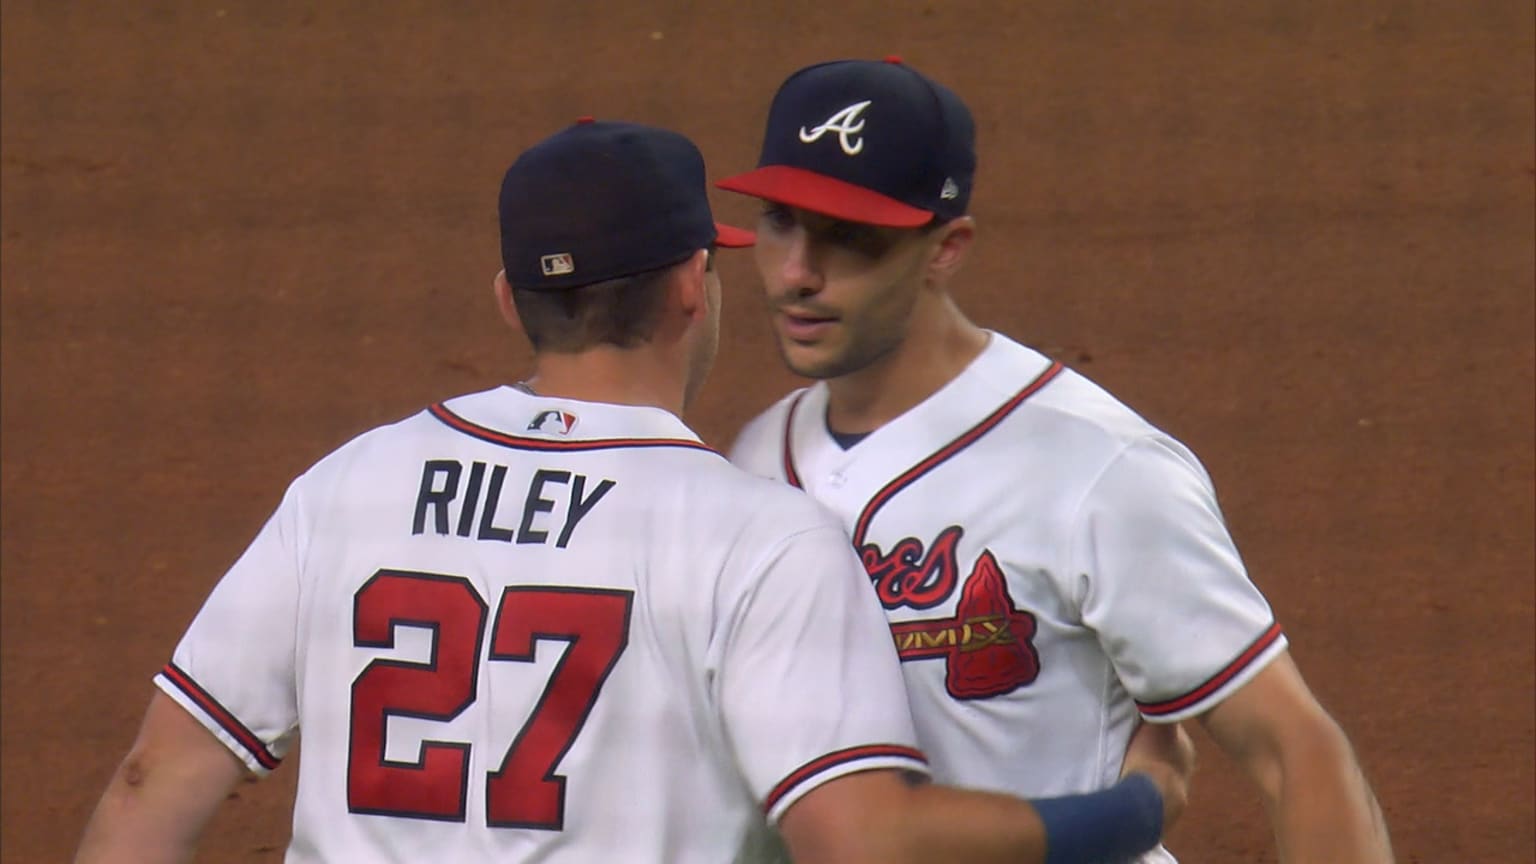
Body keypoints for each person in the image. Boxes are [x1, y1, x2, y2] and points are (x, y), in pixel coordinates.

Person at [75, 118, 1195, 864]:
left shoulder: (349, 487)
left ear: (511, 301)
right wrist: (1133, 808)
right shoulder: (757, 537)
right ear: (689, 290)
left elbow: (153, 775)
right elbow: (860, 837)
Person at [717, 57, 1395, 863]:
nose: (798, 273)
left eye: (849, 238)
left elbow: (1295, 749)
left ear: (946, 249)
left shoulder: (1095, 467)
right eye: (780, 221)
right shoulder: (754, 459)